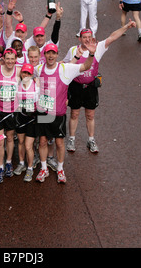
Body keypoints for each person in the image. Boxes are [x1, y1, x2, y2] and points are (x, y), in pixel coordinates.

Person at [64, 21, 137, 154]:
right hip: (76, 86)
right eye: (84, 37)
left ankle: (91, 139)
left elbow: (112, 37)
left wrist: (126, 26)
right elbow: (65, 66)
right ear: (79, 38)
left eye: (89, 37)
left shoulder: (98, 47)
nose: (87, 39)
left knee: (90, 114)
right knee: (74, 113)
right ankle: (72, 139)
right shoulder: (73, 50)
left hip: (90, 87)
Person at [34, 43, 94, 183]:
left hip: (58, 114)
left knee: (60, 143)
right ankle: (44, 169)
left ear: (57, 55)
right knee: (42, 142)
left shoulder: (65, 69)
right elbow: (24, 74)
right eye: (48, 53)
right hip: (43, 113)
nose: (50, 56)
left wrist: (91, 54)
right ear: (45, 55)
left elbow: (85, 66)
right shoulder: (38, 69)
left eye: (53, 53)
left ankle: (60, 169)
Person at [0, 48, 20, 183]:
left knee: (10, 139)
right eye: (7, 58)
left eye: (12, 59)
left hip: (12, 111)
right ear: (3, 59)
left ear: (15, 60)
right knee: (0, 142)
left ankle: (8, 162)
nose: (10, 61)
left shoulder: (19, 71)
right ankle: (0, 167)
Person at [14, 63, 39, 182]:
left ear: (32, 74)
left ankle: (30, 168)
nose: (26, 75)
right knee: (20, 142)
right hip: (21, 117)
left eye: (29, 73)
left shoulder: (36, 85)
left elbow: (41, 103)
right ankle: (21, 163)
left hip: (32, 119)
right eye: (24, 72)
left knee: (28, 146)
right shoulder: (17, 84)